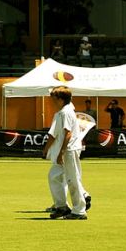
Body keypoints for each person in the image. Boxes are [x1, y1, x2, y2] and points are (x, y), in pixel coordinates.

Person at [42, 86, 88, 220]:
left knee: (73, 179)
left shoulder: (65, 112)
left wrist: (61, 151)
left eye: (54, 98)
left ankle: (79, 210)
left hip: (69, 150)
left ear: (61, 99)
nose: (52, 101)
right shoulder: (64, 111)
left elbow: (68, 133)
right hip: (65, 150)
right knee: (54, 176)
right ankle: (62, 206)